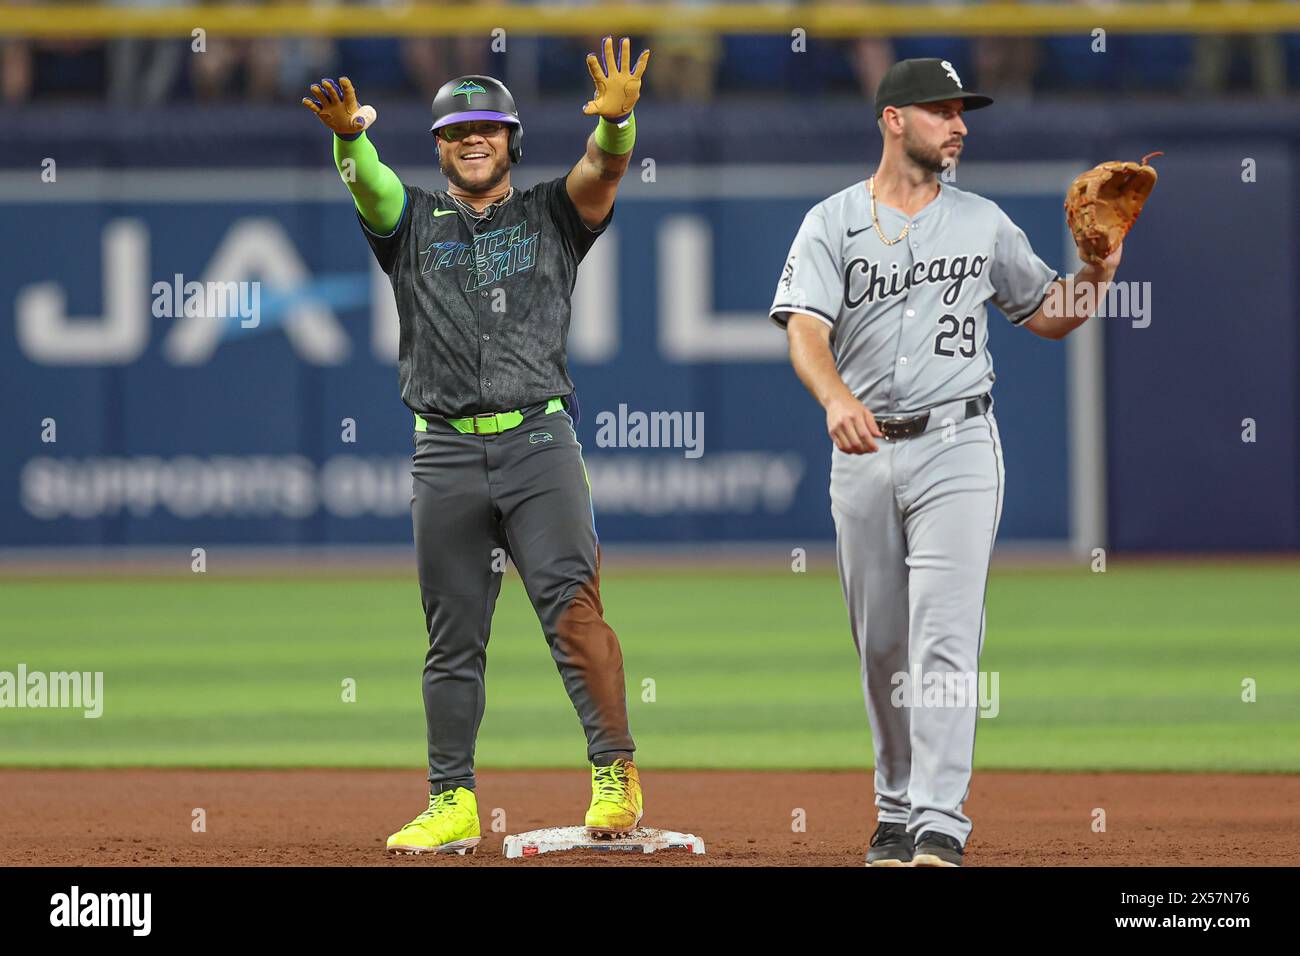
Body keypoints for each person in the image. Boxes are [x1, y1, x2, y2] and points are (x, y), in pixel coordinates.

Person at [302, 36, 651, 856]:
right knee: (452, 638)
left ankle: (615, 772)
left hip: (539, 442)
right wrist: (351, 140)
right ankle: (452, 800)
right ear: (439, 145)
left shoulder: (550, 213)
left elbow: (600, 177)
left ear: (511, 140)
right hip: (445, 453)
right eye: (458, 130)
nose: (472, 139)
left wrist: (618, 130)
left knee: (573, 614)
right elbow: (373, 185)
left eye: (488, 127)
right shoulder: (411, 222)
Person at [769, 58, 1122, 867]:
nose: (958, 124)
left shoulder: (984, 221)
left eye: (963, 112)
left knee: (944, 637)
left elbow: (1046, 313)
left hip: (959, 444)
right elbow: (805, 331)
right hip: (862, 452)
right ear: (893, 119)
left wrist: (1098, 274)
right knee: (883, 644)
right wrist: (835, 400)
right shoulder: (831, 222)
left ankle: (939, 821)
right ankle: (894, 809)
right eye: (940, 111)